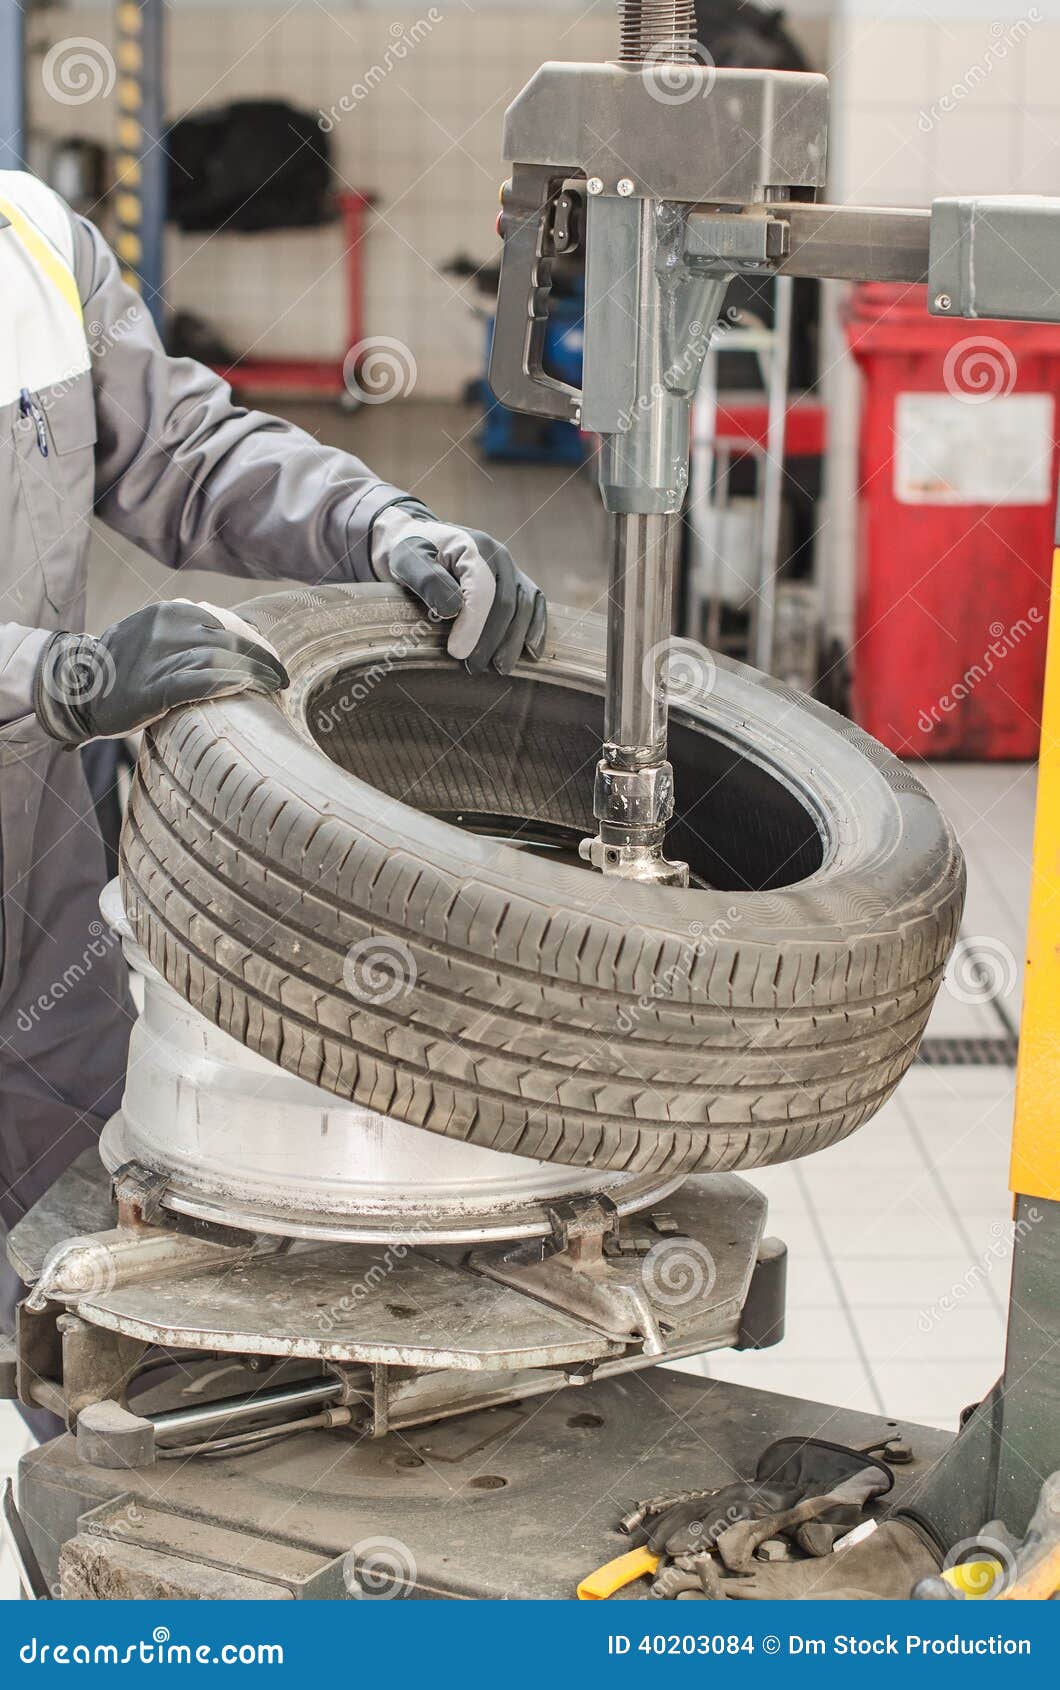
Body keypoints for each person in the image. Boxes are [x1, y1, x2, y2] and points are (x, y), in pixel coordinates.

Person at [0, 169, 547, 1345]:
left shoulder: (31, 238)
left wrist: (380, 525)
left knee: (89, 1261)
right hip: (35, 729)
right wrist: (52, 677)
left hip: (33, 859)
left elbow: (179, 451)